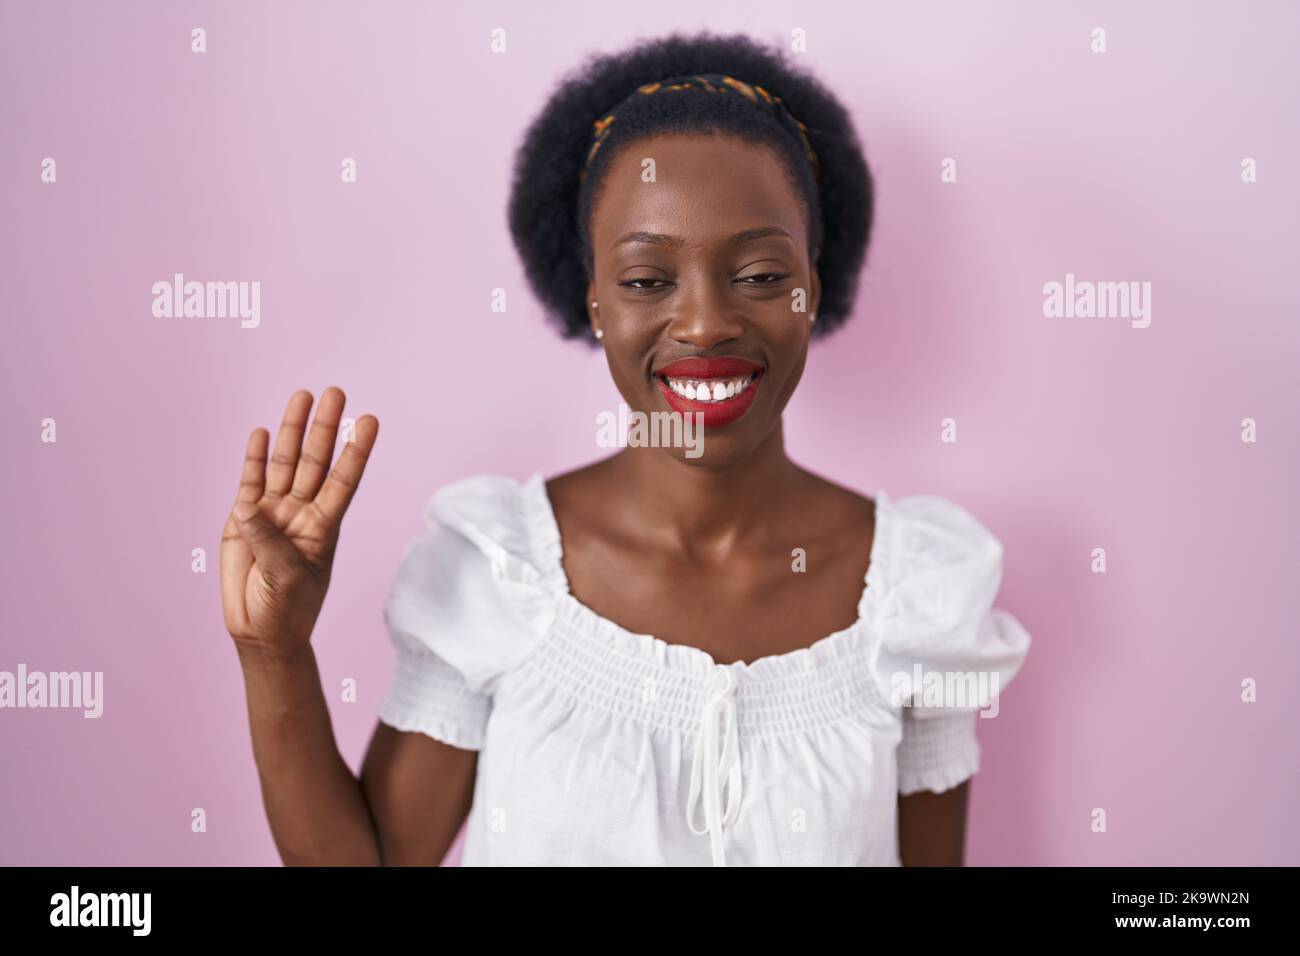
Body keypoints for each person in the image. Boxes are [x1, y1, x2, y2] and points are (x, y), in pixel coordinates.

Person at [219, 32, 1031, 866]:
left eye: (757, 273)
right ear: (597, 301)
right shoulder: (498, 573)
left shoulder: (919, 597)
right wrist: (273, 654)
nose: (707, 323)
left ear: (810, 291)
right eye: (647, 280)